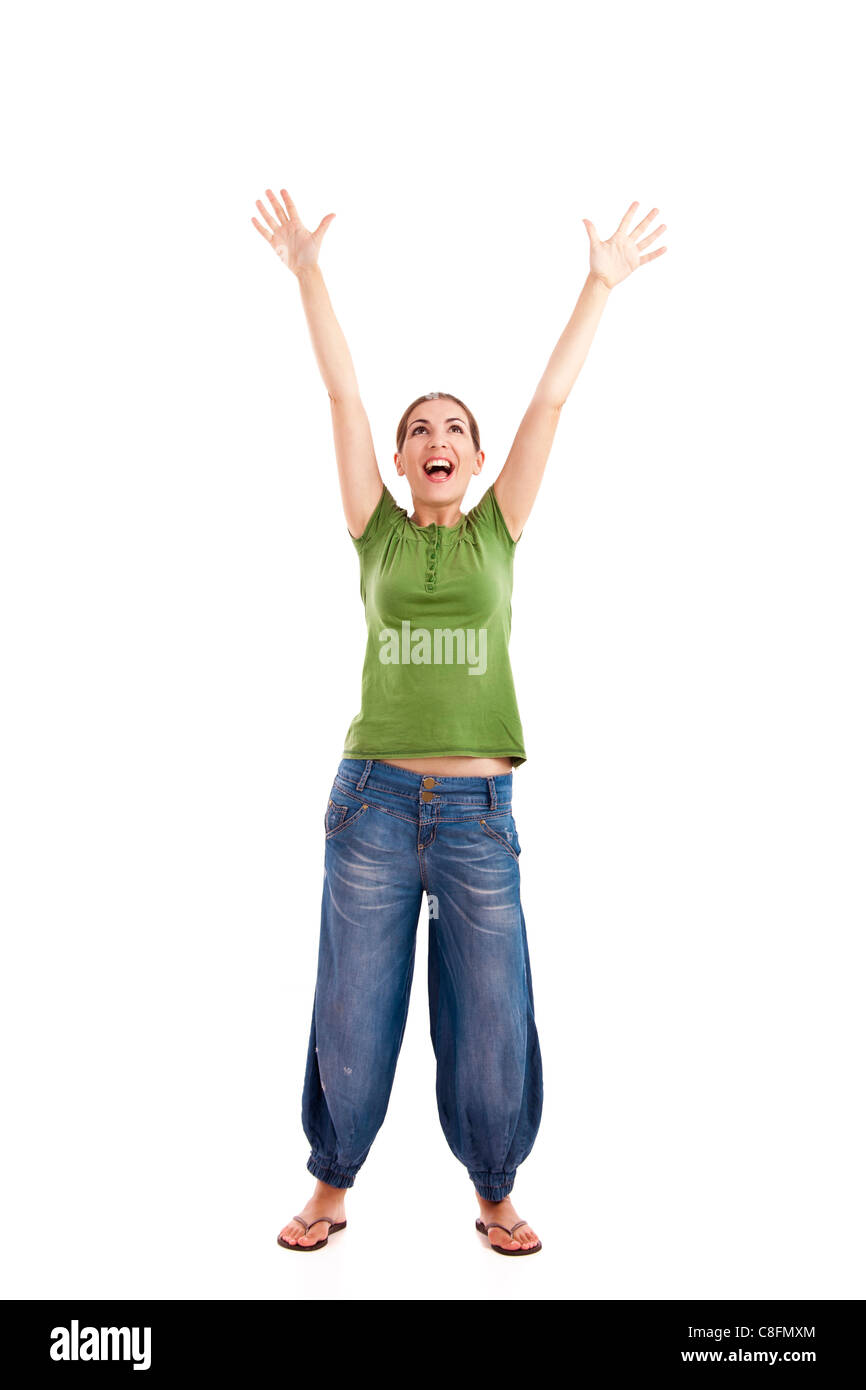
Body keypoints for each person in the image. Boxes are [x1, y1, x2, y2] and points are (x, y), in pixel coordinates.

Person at [252, 189, 667, 1255]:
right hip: (373, 807)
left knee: (490, 1017)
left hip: (481, 813)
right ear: (399, 464)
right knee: (353, 1009)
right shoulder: (375, 536)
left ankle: (493, 1186)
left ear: (475, 462)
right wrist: (307, 271)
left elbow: (548, 404)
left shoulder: (496, 530)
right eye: (418, 431)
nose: (435, 439)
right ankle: (331, 1179)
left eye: (453, 430)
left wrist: (599, 281)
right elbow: (343, 394)